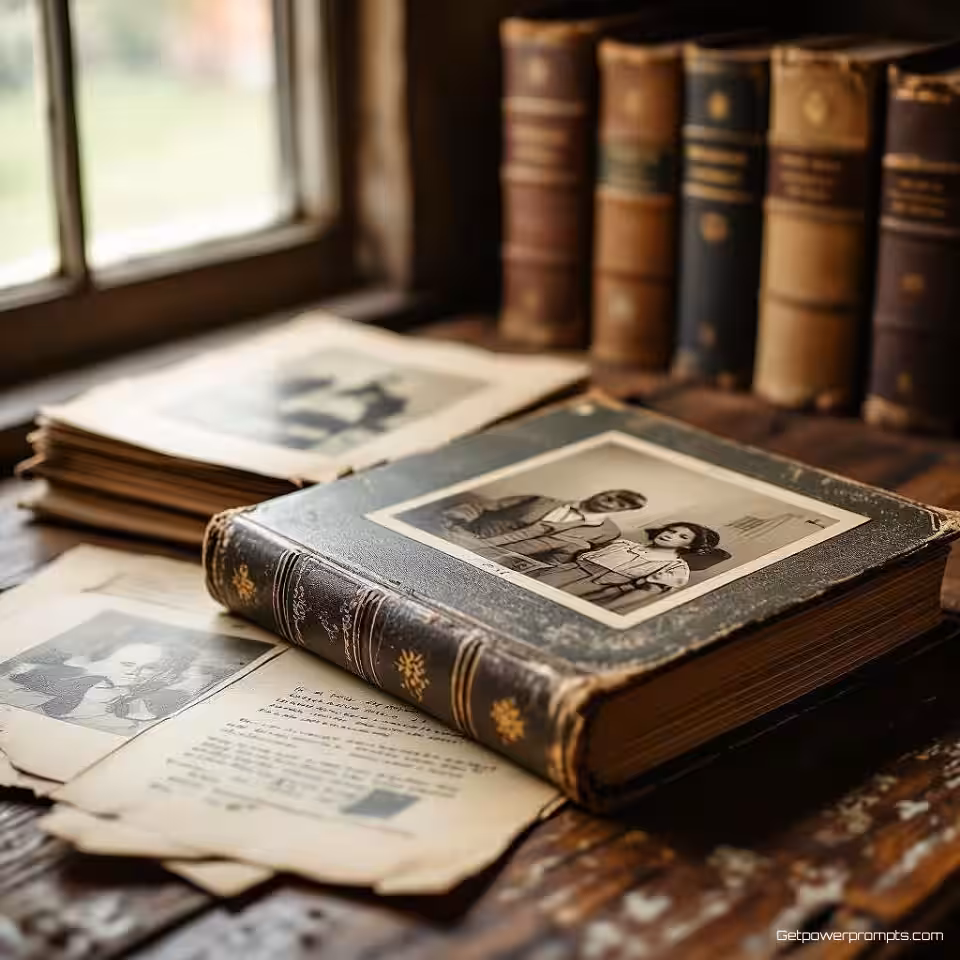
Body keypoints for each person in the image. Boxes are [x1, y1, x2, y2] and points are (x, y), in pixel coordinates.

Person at [537, 521, 720, 613]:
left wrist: (608, 608)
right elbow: (573, 561)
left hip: (598, 588)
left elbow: (646, 591)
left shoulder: (675, 568)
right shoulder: (624, 544)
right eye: (671, 530)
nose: (670, 535)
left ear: (689, 546)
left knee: (549, 609)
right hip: (563, 574)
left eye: (682, 537)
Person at [441, 489, 648, 565]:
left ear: (624, 510)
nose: (609, 501)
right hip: (461, 539)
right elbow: (483, 506)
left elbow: (568, 562)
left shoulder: (607, 532)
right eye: (610, 494)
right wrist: (459, 517)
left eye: (620, 504)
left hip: (501, 562)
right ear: (602, 492)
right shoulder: (539, 499)